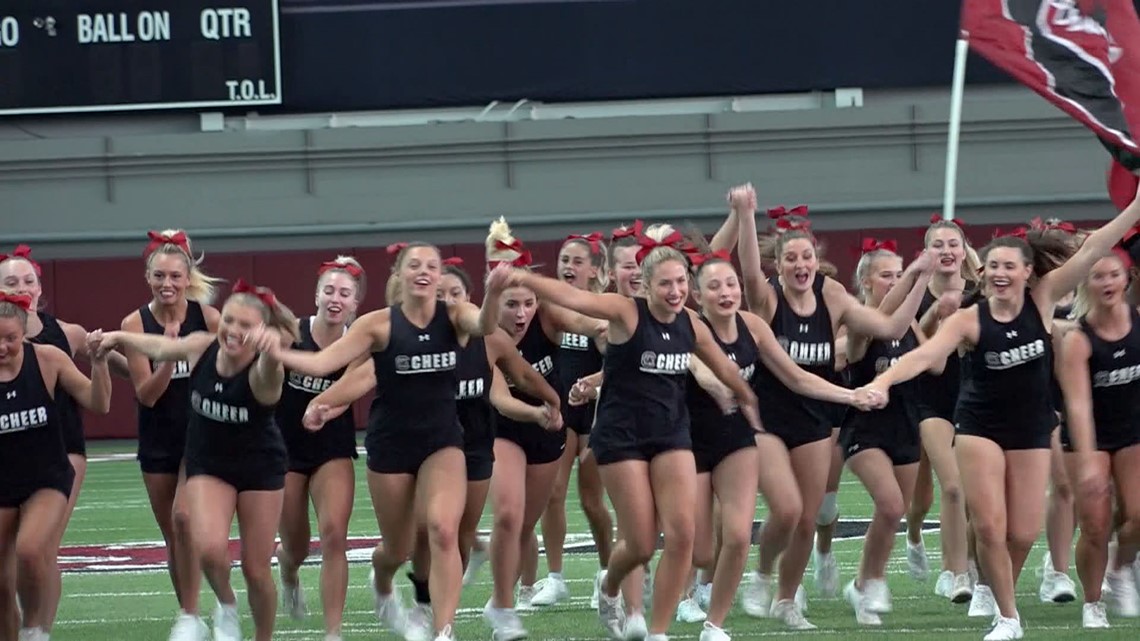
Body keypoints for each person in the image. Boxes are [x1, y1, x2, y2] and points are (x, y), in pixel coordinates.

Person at [867, 182, 1140, 641]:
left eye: (1009, 266)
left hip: (1032, 428)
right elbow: (925, 355)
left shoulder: (1043, 298)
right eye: (992, 265)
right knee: (991, 525)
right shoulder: (969, 318)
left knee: (1024, 531)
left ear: (1027, 271)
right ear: (984, 271)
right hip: (979, 428)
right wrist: (882, 380)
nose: (999, 273)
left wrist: (1134, 206)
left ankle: (999, 590)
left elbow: (1094, 248)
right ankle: (1008, 619)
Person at [509, 222, 766, 641]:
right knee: (642, 543)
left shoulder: (691, 325)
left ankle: (658, 632)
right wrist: (523, 277)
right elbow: (575, 297)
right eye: (665, 283)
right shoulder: (627, 312)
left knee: (681, 534)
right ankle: (610, 583)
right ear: (646, 285)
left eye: (682, 281)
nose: (675, 291)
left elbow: (726, 369)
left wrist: (743, 397)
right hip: (620, 436)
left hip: (671, 435)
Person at [264, 243, 505, 641]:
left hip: (443, 442)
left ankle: (444, 630)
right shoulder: (378, 325)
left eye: (431, 266)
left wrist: (494, 290)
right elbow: (326, 363)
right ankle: (382, 578)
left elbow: (486, 324)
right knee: (398, 547)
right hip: (391, 445)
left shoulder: (456, 316)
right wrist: (280, 356)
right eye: (414, 265)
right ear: (400, 273)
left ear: (440, 274)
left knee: (443, 531)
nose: (423, 272)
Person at [733, 184, 928, 629]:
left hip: (815, 420)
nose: (800, 265)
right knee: (785, 509)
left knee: (809, 516)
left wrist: (918, 274)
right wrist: (746, 214)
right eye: (791, 259)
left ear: (815, 260)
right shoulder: (767, 300)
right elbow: (746, 271)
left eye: (806, 257)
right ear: (778, 266)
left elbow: (891, 324)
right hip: (766, 419)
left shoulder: (833, 294)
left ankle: (786, 599)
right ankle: (762, 575)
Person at [681, 246, 880, 641]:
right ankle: (628, 590)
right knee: (702, 549)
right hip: (691, 439)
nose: (726, 292)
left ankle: (720, 622)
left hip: (742, 435)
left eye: (731, 284)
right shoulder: (687, 326)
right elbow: (696, 366)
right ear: (697, 295)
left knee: (775, 520)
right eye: (714, 286)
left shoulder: (754, 326)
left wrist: (852, 395)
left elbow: (797, 376)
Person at [100, 280, 300, 641]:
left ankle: (264, 636)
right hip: (208, 463)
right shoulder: (201, 346)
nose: (233, 331)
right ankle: (226, 604)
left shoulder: (263, 370)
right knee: (207, 549)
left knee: (256, 570)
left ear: (262, 332)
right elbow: (161, 346)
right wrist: (120, 337)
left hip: (259, 468)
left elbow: (270, 372)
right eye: (229, 320)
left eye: (245, 325)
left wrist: (271, 353)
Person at [0, 245, 129, 640]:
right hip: (5, 473)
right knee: (3, 576)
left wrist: (104, 358)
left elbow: (100, 400)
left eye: (28, 281)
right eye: (10, 282)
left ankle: (37, 629)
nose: (21, 289)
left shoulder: (53, 349)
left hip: (53, 467)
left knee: (35, 550)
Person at [119, 230, 222, 641]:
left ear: (188, 277)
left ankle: (192, 611)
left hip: (200, 438)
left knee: (184, 517)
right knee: (174, 533)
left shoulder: (208, 318)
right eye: (159, 276)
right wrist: (168, 353)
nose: (168, 284)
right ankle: (192, 617)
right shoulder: (134, 324)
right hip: (159, 438)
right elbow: (146, 395)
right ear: (148, 277)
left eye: (175, 277)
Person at [273, 257, 366, 641]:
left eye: (344, 293)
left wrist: (325, 409)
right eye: (329, 290)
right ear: (315, 294)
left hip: (332, 446)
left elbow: (353, 388)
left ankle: (333, 632)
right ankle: (289, 571)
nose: (335, 298)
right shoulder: (291, 332)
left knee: (333, 535)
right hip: (286, 448)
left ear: (355, 303)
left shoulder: (358, 340)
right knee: (295, 545)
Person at [838, 241, 929, 626]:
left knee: (893, 515)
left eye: (897, 273)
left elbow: (935, 363)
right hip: (865, 430)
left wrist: (932, 300)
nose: (893, 282)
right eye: (886, 275)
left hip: (906, 426)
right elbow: (881, 322)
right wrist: (915, 274)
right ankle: (869, 582)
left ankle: (863, 584)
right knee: (890, 505)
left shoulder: (909, 325)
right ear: (865, 280)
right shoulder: (856, 323)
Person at [1057, 248, 1140, 627]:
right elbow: (1078, 406)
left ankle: (1121, 570)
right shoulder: (1078, 339)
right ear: (1086, 284)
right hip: (1089, 434)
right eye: (1098, 276)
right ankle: (1093, 602)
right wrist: (1089, 459)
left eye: (1113, 275)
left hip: (1132, 431)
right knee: (1095, 522)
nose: (1107, 282)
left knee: (1137, 515)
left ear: (1127, 279)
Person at [903, 216, 981, 603]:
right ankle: (917, 535)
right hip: (927, 398)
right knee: (939, 490)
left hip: (971, 397)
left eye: (954, 244)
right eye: (939, 245)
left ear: (965, 249)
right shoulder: (917, 295)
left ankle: (962, 570)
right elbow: (926, 357)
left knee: (959, 489)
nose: (947, 251)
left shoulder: (980, 292)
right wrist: (935, 315)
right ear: (926, 252)